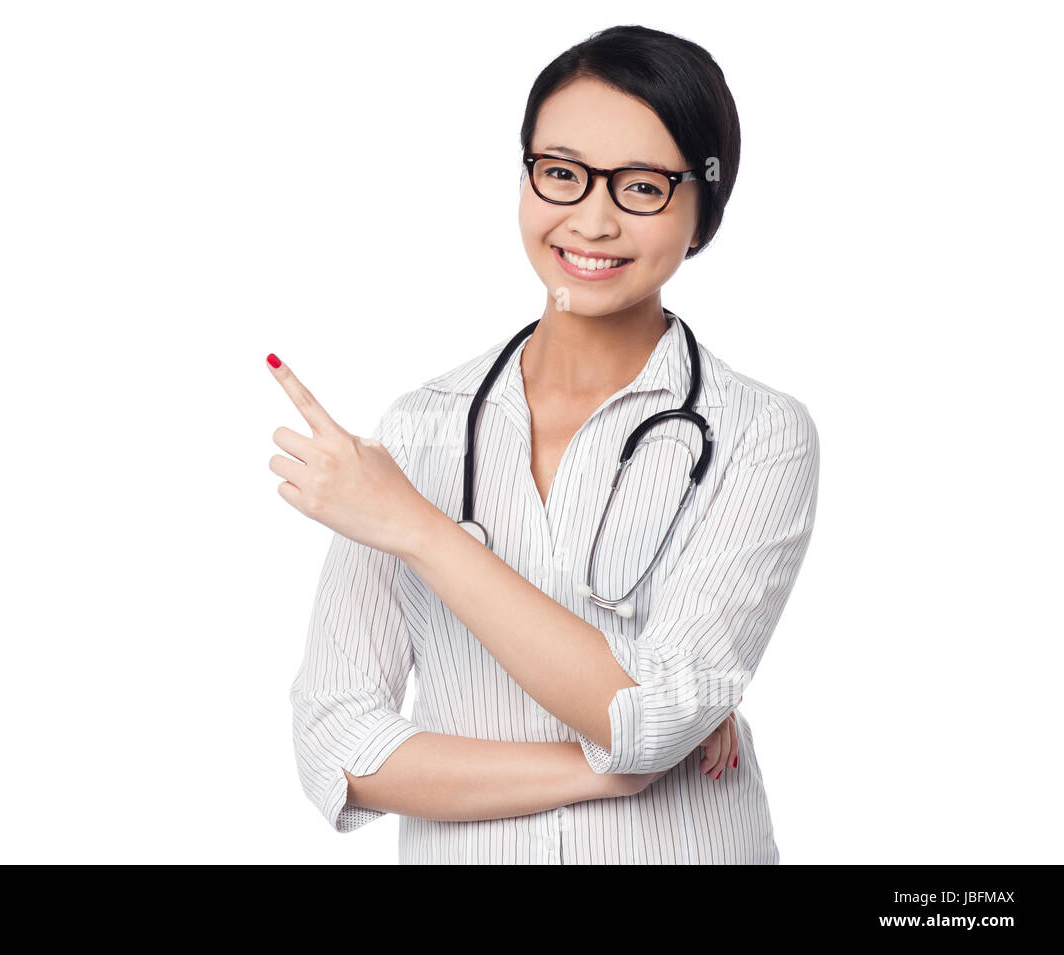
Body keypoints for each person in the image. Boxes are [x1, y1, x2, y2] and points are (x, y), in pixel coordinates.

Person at [267, 24, 819, 864]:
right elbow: (337, 746)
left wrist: (419, 528)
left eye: (641, 186)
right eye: (560, 174)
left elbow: (654, 715)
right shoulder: (422, 427)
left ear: (705, 208)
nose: (591, 220)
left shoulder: (760, 435)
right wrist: (608, 767)